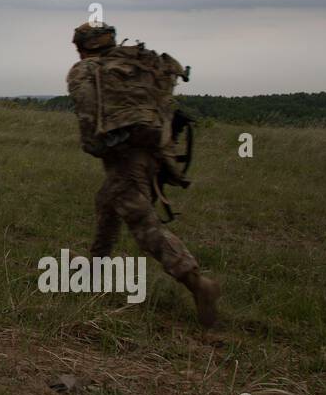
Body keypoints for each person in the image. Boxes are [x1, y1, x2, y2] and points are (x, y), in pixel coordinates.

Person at [66, 22, 220, 326]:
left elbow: (86, 114)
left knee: (143, 224)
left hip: (125, 157)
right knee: (106, 202)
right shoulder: (135, 64)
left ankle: (197, 283)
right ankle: (94, 270)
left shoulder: (86, 70)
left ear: (83, 47)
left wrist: (97, 146)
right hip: (154, 152)